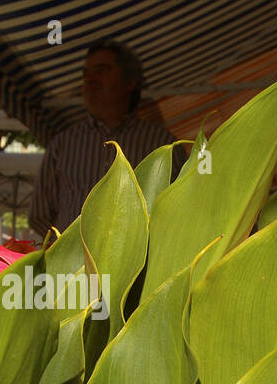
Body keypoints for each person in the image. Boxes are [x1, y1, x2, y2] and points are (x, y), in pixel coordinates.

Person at [29, 39, 179, 238]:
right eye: (86, 74)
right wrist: (65, 250)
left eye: (102, 70)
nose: (90, 80)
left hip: (140, 268)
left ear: (130, 82)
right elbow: (39, 215)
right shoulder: (63, 144)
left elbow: (179, 210)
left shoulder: (162, 145)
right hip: (72, 268)